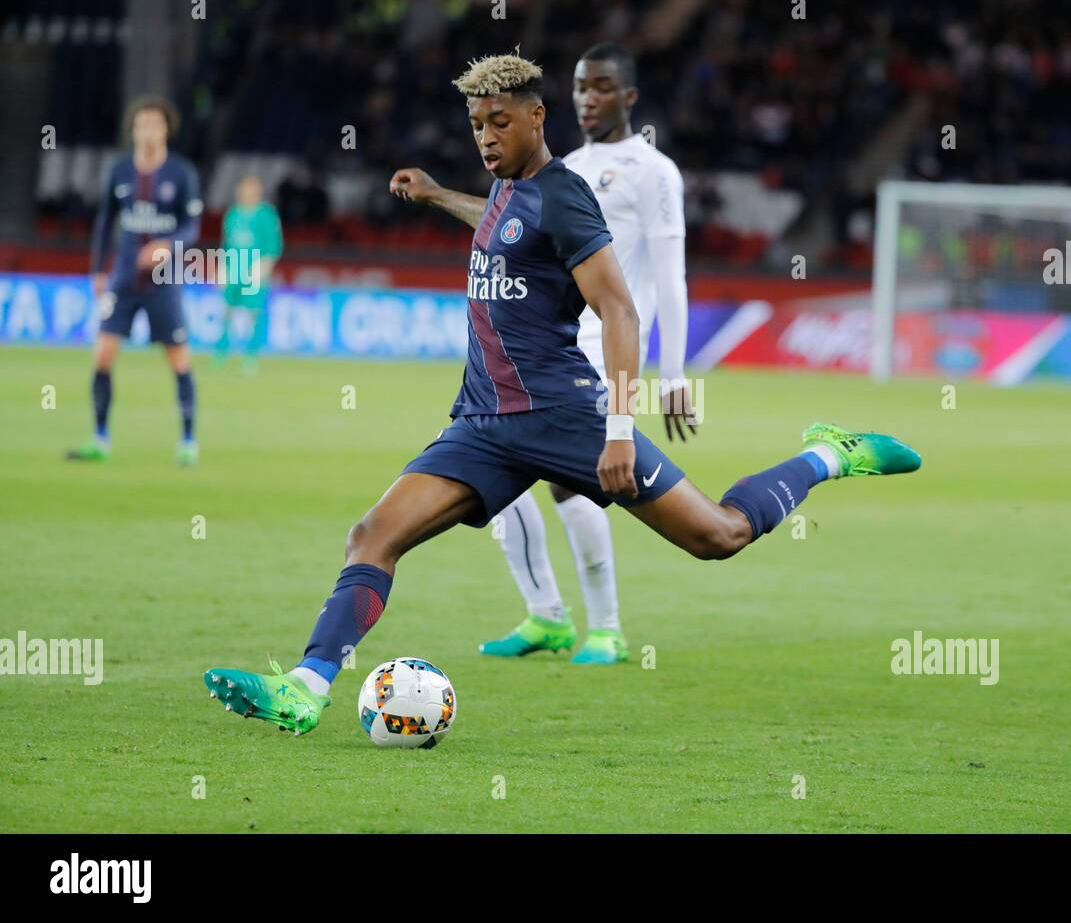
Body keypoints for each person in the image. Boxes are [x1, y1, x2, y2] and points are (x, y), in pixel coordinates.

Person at [203, 53, 920, 737]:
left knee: (718, 536)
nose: (486, 137)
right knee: (372, 535)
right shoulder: (508, 193)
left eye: (499, 123)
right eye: (477, 124)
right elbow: (500, 225)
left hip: (565, 416)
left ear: (538, 116)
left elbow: (619, 311)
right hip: (484, 423)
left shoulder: (567, 198)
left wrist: (617, 428)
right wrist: (435, 194)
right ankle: (305, 686)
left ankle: (829, 454)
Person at [418, 43, 693, 665]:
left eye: (601, 87)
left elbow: (668, 278)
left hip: (601, 352)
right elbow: (504, 222)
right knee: (500, 480)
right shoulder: (560, 166)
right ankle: (545, 613)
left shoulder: (655, 173)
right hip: (542, 343)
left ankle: (607, 626)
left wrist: (674, 374)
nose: (588, 99)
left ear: (629, 96)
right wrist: (439, 195)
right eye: (581, 88)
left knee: (573, 488)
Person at [67, 96, 203, 466]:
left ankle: (188, 442)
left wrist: (166, 245)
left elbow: (192, 227)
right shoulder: (120, 171)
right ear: (133, 130)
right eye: (142, 124)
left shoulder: (181, 174)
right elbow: (105, 221)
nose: (148, 130)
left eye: (155, 124)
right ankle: (100, 438)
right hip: (124, 278)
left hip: (164, 279)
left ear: (166, 130)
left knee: (178, 359)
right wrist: (98, 269)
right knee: (103, 356)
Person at [215, 174, 283, 374]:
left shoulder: (266, 214)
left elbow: (273, 245)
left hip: (255, 269)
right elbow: (225, 244)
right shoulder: (233, 214)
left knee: (254, 313)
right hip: (234, 267)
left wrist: (264, 266)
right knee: (226, 310)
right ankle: (221, 350)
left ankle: (251, 354)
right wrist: (222, 268)